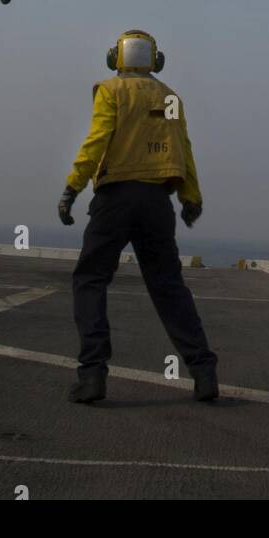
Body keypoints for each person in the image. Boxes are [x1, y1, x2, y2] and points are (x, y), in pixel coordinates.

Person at [58, 29, 219, 404]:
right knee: (168, 286)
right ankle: (204, 372)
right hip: (157, 204)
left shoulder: (111, 91)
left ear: (116, 58)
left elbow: (96, 142)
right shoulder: (170, 96)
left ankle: (93, 375)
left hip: (114, 199)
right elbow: (183, 148)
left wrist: (72, 187)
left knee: (91, 280)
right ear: (155, 60)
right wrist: (190, 196)